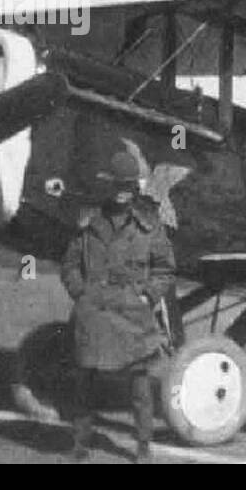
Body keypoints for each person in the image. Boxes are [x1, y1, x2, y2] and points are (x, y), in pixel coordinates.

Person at [60, 150, 175, 463]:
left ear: (135, 187)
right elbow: (69, 265)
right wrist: (81, 293)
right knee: (84, 385)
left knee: (139, 388)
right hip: (94, 314)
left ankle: (142, 447)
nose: (123, 190)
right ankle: (80, 445)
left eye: (128, 184)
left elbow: (164, 269)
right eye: (118, 184)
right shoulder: (88, 222)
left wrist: (146, 298)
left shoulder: (150, 227)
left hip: (131, 317)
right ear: (109, 186)